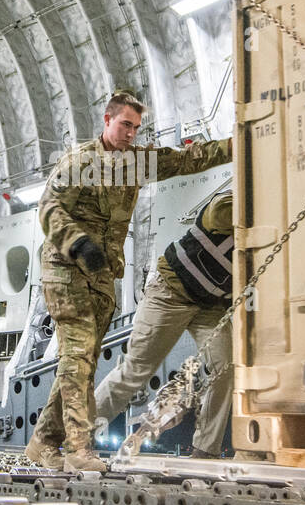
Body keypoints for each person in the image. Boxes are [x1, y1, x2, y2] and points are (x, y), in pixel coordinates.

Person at [24, 90, 231, 471]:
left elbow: (186, 159)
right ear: (107, 120)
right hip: (67, 271)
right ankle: (78, 450)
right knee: (78, 361)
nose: (130, 134)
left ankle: (42, 442)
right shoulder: (81, 162)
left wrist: (238, 144)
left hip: (102, 277)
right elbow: (48, 208)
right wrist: (78, 244)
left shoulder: (135, 163)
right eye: (125, 125)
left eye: (136, 127)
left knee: (79, 360)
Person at [94, 192, 234, 458]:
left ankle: (206, 449)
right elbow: (228, 212)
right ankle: (78, 437)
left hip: (210, 306)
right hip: (169, 292)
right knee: (135, 371)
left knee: (225, 367)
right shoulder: (225, 206)